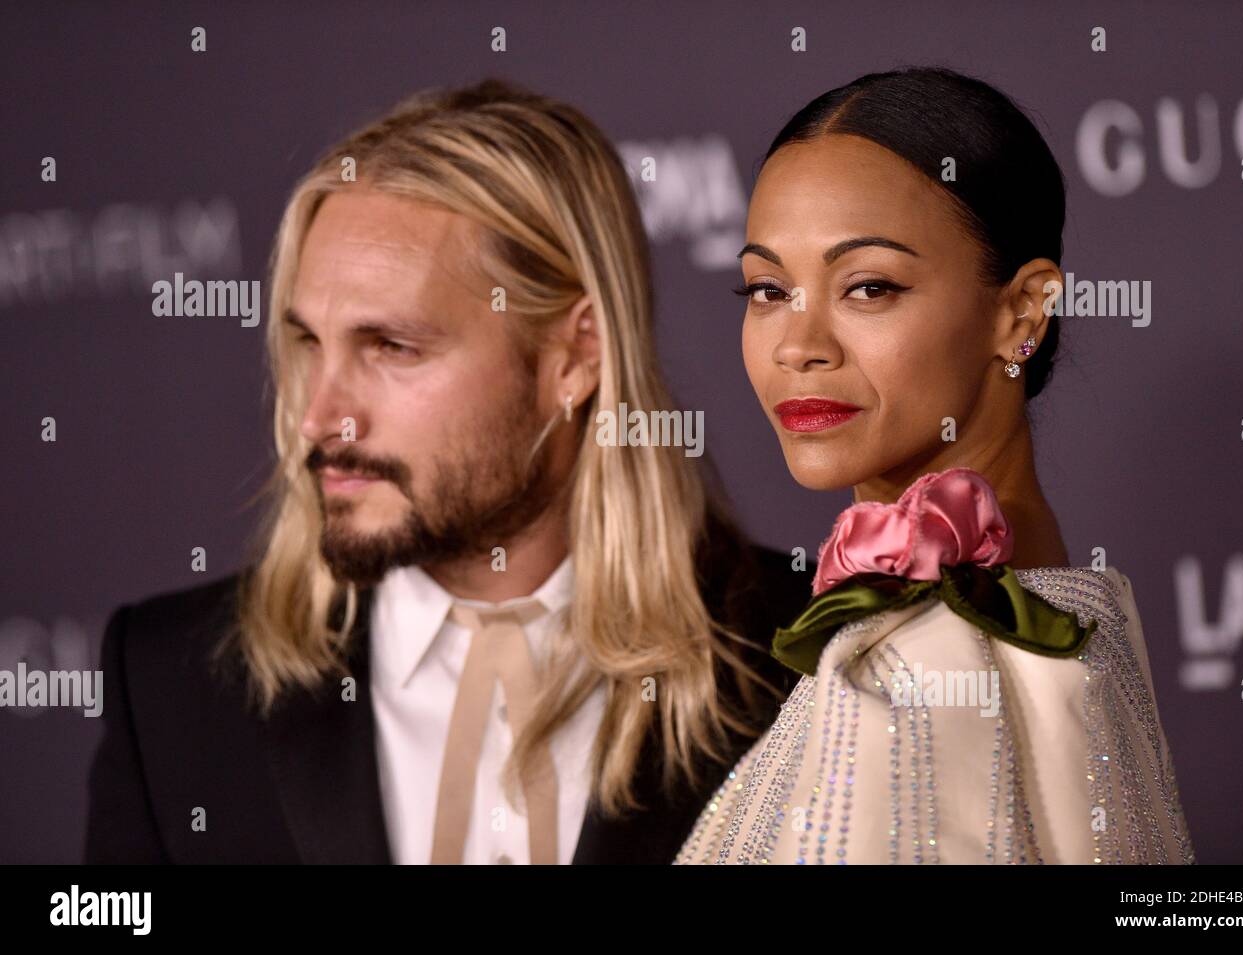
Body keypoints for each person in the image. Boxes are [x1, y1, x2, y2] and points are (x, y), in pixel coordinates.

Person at [84, 79, 811, 865]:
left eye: (391, 347)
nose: (319, 419)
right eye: (310, 344)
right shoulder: (173, 683)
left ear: (576, 355)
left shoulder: (807, 665)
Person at [676, 67, 1194, 864]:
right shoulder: (1062, 621)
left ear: (1021, 311)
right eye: (769, 289)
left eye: (868, 287)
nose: (797, 346)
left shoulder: (928, 669)